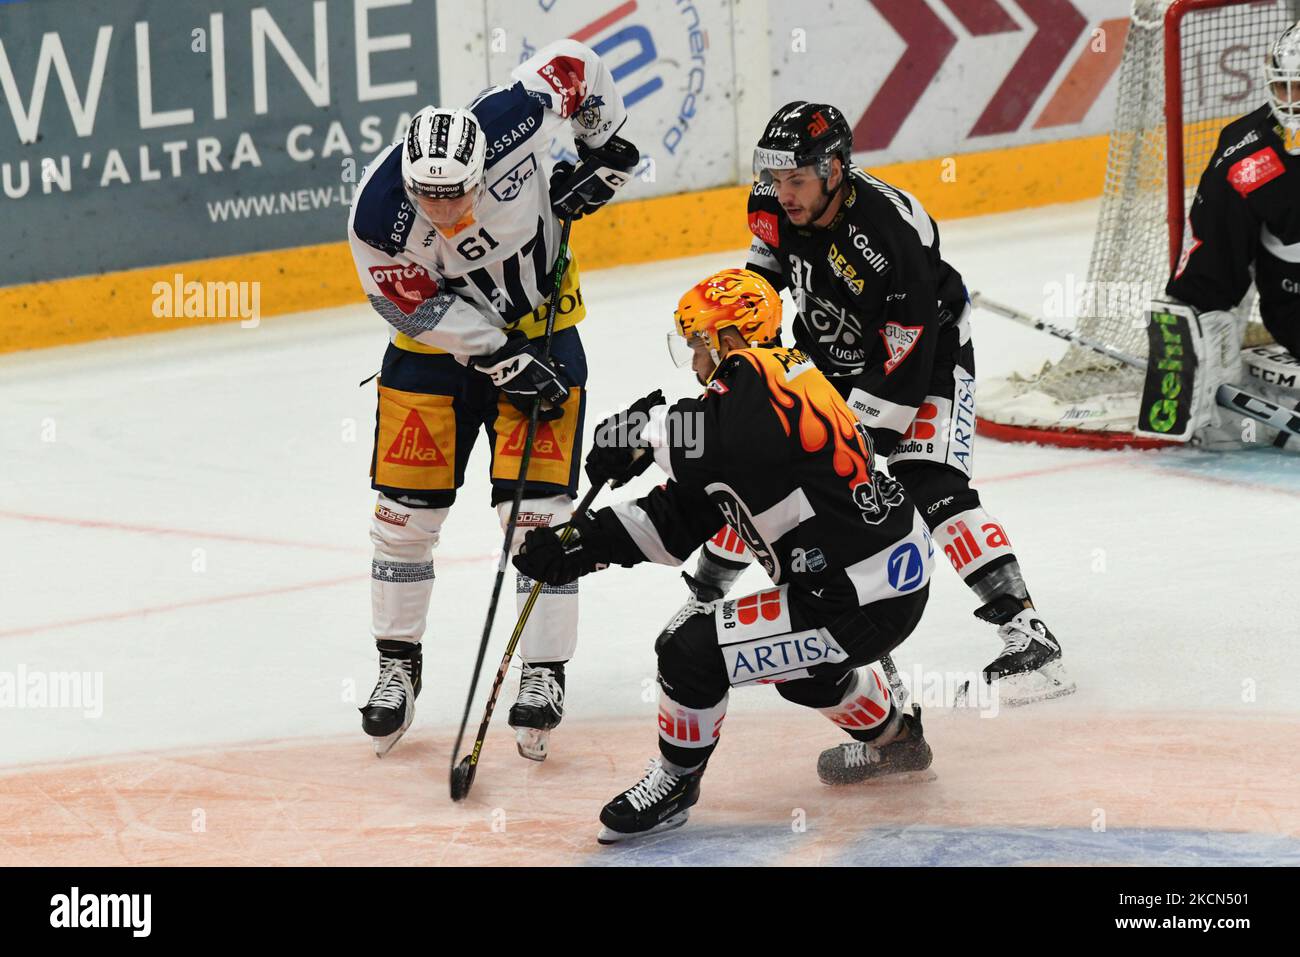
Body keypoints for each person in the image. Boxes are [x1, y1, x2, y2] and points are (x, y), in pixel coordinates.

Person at [666, 102, 1074, 706]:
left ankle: (1028, 635)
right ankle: (703, 596)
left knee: (926, 481)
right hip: (828, 357)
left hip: (923, 359)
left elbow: (906, 357)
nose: (782, 194)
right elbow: (763, 293)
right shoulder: (771, 204)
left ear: (835, 168)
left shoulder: (889, 234)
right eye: (775, 179)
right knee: (768, 470)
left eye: (796, 179)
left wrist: (861, 443)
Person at [514, 268, 935, 844]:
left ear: (730, 338)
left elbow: (722, 439)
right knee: (806, 676)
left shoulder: (766, 372)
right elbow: (678, 518)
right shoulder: (763, 401)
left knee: (689, 653)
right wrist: (583, 544)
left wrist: (645, 428)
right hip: (879, 583)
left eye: (697, 343)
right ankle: (897, 745)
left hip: (857, 597)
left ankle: (675, 782)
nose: (692, 361)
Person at [345, 40, 639, 758]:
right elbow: (411, 306)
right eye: (429, 195)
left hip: (544, 325)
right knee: (404, 517)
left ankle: (541, 672)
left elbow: (577, 62)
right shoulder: (377, 218)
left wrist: (608, 151)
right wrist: (501, 358)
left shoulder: (517, 118)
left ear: (484, 168)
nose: (442, 210)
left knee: (537, 516)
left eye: (457, 193)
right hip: (435, 354)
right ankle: (397, 665)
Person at [1160, 19, 1300, 446]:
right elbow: (1210, 264)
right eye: (1285, 88)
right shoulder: (1249, 159)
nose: (1292, 104)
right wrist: (1192, 354)